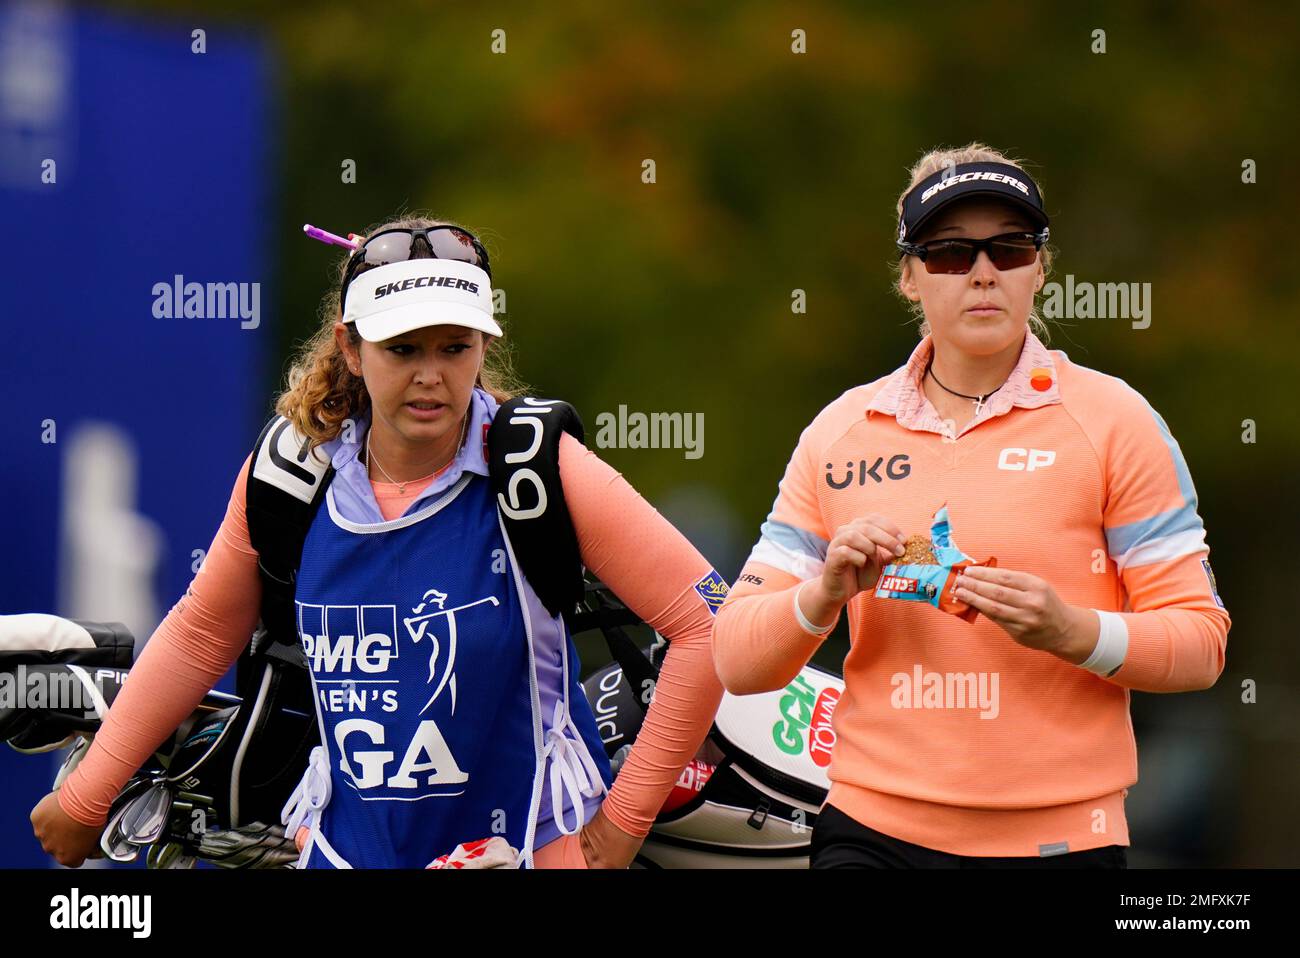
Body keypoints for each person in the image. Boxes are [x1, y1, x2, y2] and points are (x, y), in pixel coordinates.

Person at [31, 215, 726, 869]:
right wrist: (90, 793)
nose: (431, 375)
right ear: (351, 348)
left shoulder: (536, 469)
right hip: (342, 851)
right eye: (403, 348)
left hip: (525, 845)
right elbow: (201, 633)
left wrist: (613, 837)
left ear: (484, 345)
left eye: (455, 347)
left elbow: (706, 623)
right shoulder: (293, 474)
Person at [712, 143, 1230, 868]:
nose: (983, 273)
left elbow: (1201, 645)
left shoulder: (1117, 421)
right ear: (910, 276)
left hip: (1061, 840)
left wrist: (1073, 630)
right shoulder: (839, 431)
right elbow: (736, 660)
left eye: (1010, 249)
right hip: (872, 833)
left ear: (1040, 269)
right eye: (951, 254)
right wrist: (822, 593)